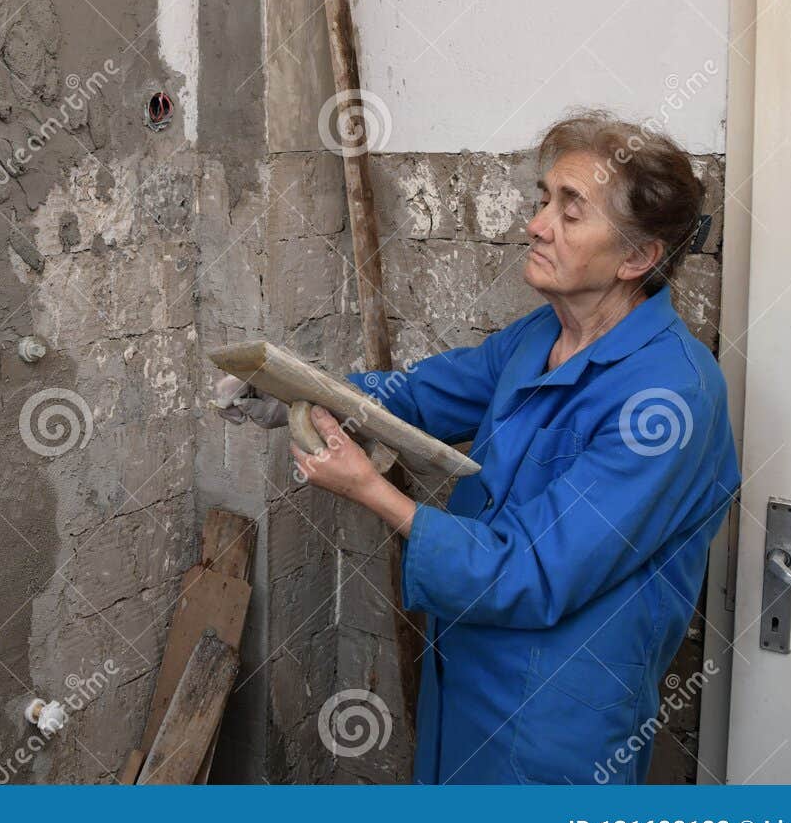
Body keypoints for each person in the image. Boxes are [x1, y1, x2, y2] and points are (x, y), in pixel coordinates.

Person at [216, 109, 740, 784]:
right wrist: (292, 389)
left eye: (570, 211)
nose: (537, 223)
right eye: (543, 199)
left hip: (558, 722)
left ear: (638, 257)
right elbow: (414, 398)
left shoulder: (672, 397)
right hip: (466, 684)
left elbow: (534, 569)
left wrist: (372, 491)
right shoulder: (537, 337)